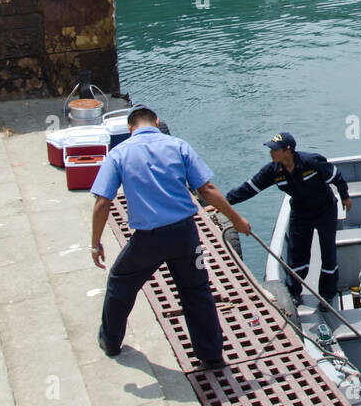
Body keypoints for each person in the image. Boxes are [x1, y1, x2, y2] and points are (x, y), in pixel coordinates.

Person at [89, 104, 250, 366]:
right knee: (196, 290)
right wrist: (237, 219)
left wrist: (95, 244)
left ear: (130, 129)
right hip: (186, 235)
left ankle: (111, 341)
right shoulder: (179, 146)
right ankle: (211, 355)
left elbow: (102, 203)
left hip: (148, 240)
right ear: (156, 121)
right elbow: (207, 189)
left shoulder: (118, 154)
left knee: (120, 282)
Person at [225, 132, 352, 309]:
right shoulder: (273, 171)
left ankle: (327, 295)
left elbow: (336, 177)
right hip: (300, 213)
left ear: (288, 151)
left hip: (325, 210)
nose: (271, 153)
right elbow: (249, 188)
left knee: (328, 253)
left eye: (275, 150)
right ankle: (294, 292)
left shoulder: (311, 162)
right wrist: (223, 203)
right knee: (297, 255)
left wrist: (345, 197)